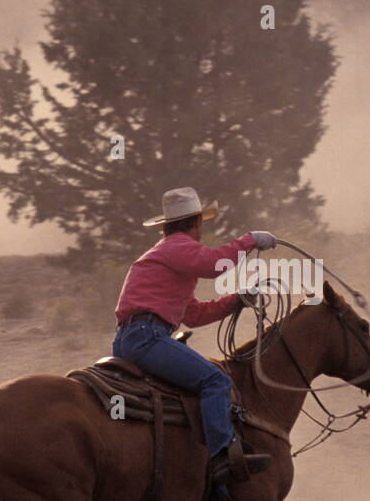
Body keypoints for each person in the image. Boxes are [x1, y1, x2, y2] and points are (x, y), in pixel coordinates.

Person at [113, 187, 276, 485]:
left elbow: (194, 314)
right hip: (147, 336)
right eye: (201, 222)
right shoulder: (178, 246)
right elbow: (215, 264)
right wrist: (250, 239)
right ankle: (223, 457)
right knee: (215, 380)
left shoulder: (166, 256)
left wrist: (237, 298)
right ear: (195, 223)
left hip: (132, 336)